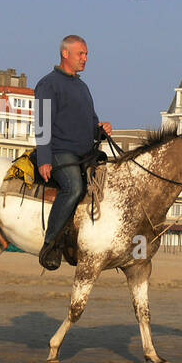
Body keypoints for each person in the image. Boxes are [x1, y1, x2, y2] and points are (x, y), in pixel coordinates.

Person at [33, 35, 112, 269]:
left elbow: (91, 124)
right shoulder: (48, 84)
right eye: (81, 54)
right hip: (59, 151)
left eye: (87, 54)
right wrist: (44, 159)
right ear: (65, 54)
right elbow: (42, 125)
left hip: (84, 152)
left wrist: (101, 130)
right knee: (74, 187)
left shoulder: (82, 86)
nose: (85, 59)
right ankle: (51, 243)